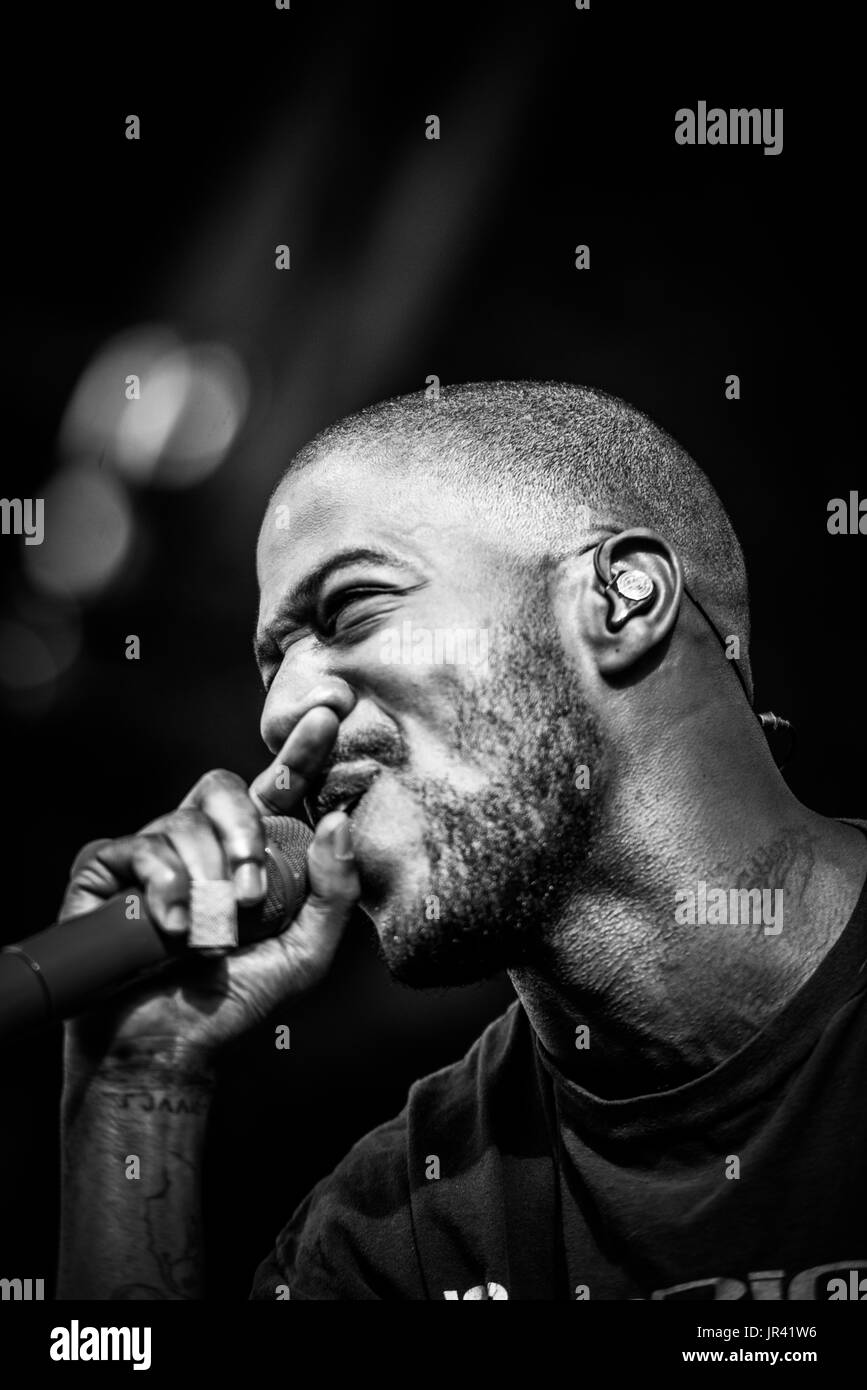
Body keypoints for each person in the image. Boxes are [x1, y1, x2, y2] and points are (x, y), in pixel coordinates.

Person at [56, 382, 867, 1301]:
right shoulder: (398, 1230)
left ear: (622, 598)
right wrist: (134, 1084)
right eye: (272, 662)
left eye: (351, 608)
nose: (281, 711)